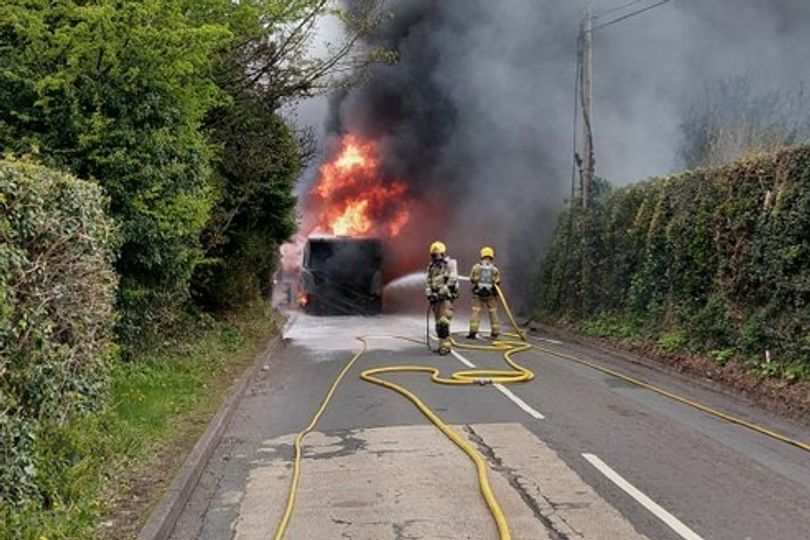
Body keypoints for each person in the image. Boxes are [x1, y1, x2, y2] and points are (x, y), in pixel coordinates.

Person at [425, 241, 459, 355]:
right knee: (438, 324)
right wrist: (429, 294)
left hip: (446, 297)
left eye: (437, 254)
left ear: (443, 253)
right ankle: (442, 345)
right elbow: (427, 282)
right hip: (436, 298)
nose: (435, 257)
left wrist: (440, 292)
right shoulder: (431, 267)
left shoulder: (450, 264)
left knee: (443, 322)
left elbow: (452, 279)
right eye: (433, 255)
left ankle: (445, 347)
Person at [468, 246, 501, 339]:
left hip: (478, 294)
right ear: (491, 256)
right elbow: (498, 282)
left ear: (481, 255)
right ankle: (495, 332)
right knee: (493, 312)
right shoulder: (494, 269)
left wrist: (477, 281)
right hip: (490, 295)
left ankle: (473, 331)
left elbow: (471, 279)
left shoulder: (476, 267)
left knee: (476, 311)